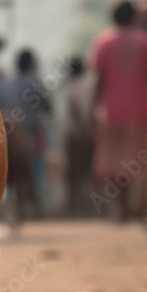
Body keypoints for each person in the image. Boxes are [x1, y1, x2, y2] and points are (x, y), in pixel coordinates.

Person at [90, 1, 147, 220]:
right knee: (141, 161)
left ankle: (123, 209)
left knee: (114, 163)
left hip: (111, 111)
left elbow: (98, 80)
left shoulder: (103, 42)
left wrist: (93, 109)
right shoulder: (146, 41)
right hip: (142, 110)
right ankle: (140, 207)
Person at [0, 49, 51, 228]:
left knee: (5, 170)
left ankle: (10, 209)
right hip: (29, 134)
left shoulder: (6, 83)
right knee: (33, 167)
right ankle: (33, 202)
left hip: (3, 132)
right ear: (33, 64)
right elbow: (47, 106)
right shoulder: (35, 82)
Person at [59, 57, 94, 216]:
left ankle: (74, 205)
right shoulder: (89, 84)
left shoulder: (68, 86)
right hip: (88, 135)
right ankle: (89, 205)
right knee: (88, 172)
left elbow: (73, 111)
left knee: (73, 174)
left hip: (73, 136)